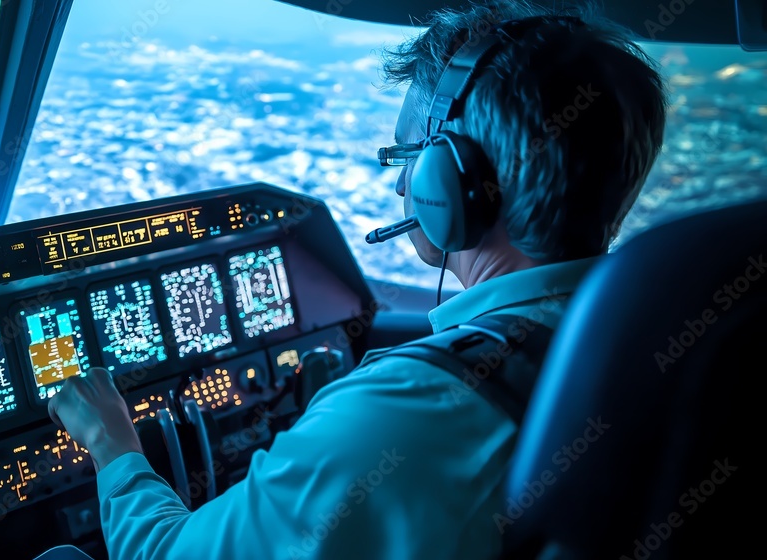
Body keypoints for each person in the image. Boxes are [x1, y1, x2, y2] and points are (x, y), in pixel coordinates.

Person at [48, 1, 668, 558]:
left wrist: (114, 447)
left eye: (410, 155)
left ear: (455, 181)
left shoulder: (410, 408)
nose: (402, 185)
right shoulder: (663, 331)